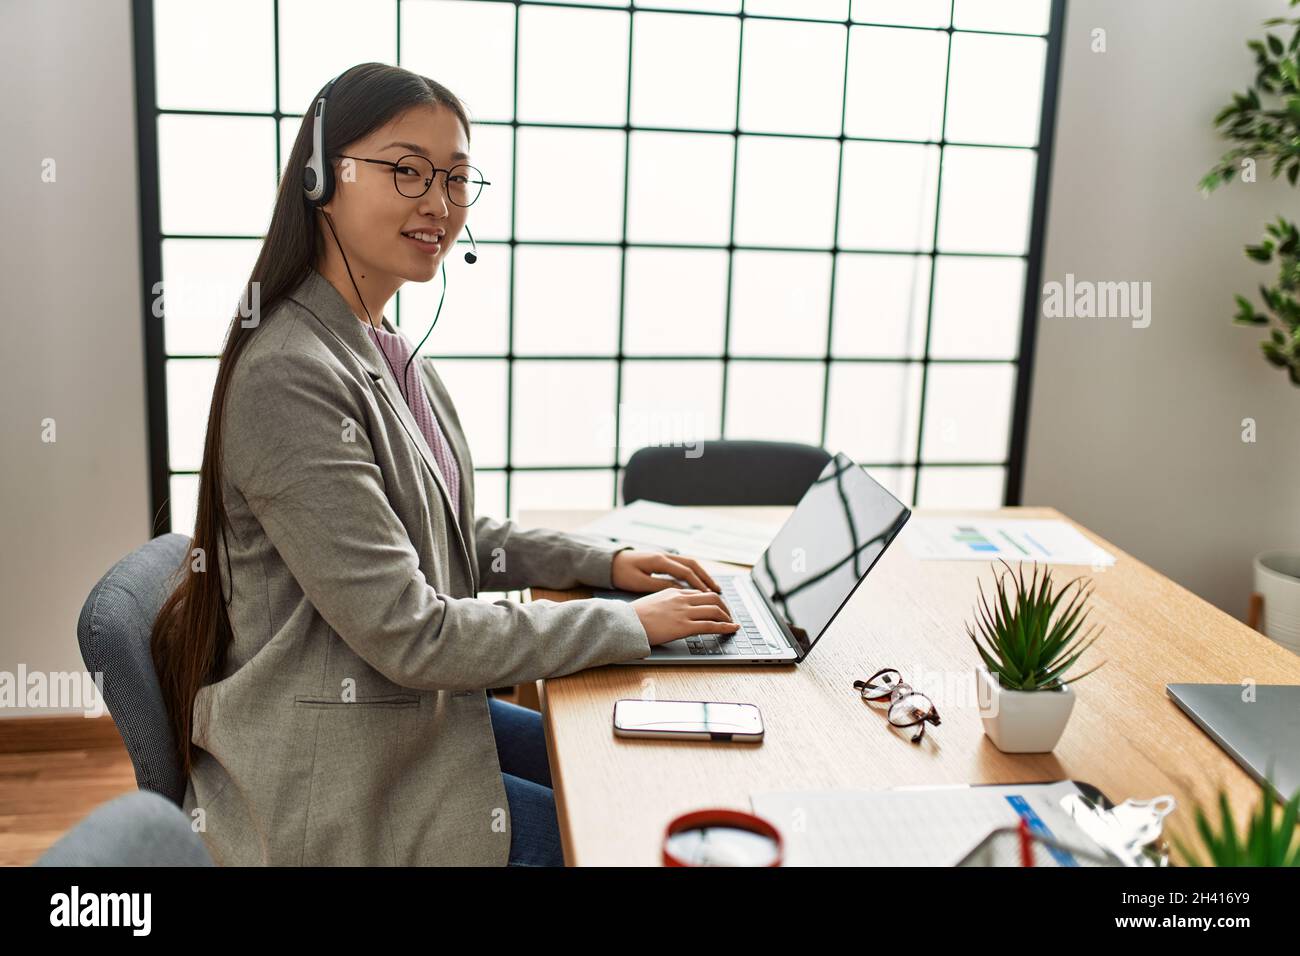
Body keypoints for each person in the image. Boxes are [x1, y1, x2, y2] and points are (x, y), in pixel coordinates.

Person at [150, 63, 740, 866]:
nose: (439, 203)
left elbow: (454, 535)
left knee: (631, 770)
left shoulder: (390, 354)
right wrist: (627, 624)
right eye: (408, 170)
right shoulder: (291, 376)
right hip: (338, 775)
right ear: (324, 178)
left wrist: (605, 565)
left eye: (458, 178)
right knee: (618, 833)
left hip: (402, 717)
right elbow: (413, 633)